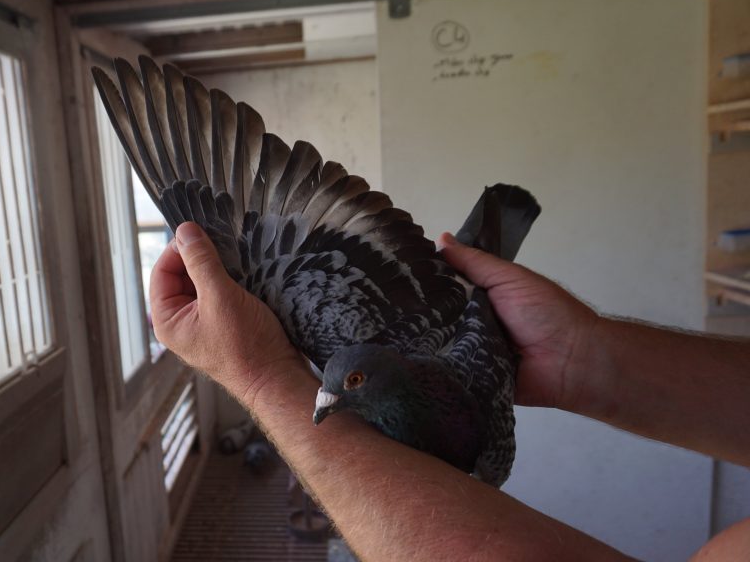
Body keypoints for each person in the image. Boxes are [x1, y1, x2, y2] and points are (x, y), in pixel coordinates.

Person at [150, 221, 750, 561]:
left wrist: (259, 377)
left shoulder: (476, 436)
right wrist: (576, 349)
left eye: (349, 384)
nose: (330, 400)